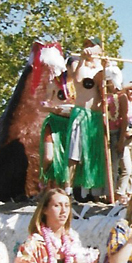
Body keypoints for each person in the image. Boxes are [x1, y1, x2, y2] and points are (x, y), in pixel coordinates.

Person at [41, 38, 108, 201]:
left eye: (92, 46)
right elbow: (78, 79)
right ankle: (68, 189)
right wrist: (84, 59)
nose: (88, 48)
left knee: (94, 153)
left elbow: (107, 88)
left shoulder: (103, 67)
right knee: (74, 152)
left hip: (96, 116)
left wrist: (105, 66)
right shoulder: (80, 65)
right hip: (81, 113)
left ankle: (93, 189)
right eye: (86, 45)